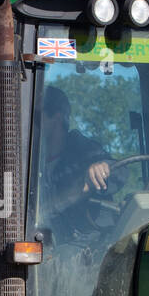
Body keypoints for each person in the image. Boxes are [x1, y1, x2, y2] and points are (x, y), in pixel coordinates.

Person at [38, 85, 113, 231]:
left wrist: (102, 166)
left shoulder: (85, 151)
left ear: (57, 117)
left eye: (36, 116)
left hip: (91, 240)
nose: (28, 123)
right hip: (52, 241)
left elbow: (119, 171)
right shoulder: (30, 160)